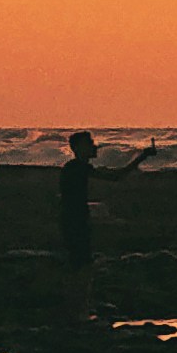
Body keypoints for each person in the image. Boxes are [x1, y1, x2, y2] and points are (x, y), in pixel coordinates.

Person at [56, 131, 104, 311]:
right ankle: (78, 305)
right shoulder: (78, 168)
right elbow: (116, 177)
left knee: (78, 263)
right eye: (89, 143)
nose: (94, 146)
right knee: (82, 265)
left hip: (72, 219)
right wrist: (141, 158)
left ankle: (77, 305)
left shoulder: (74, 167)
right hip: (75, 221)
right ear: (79, 148)